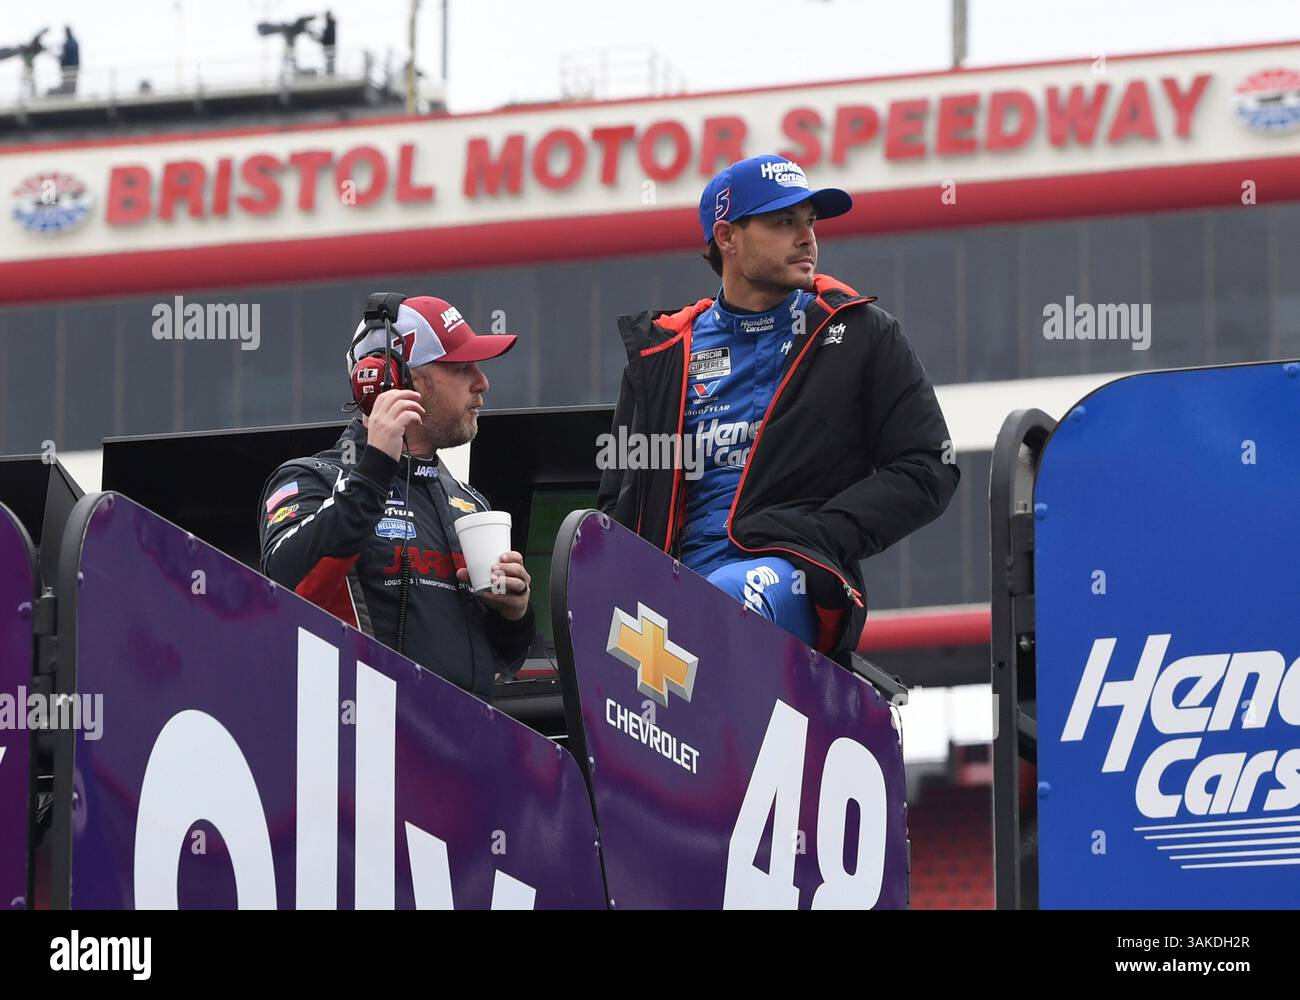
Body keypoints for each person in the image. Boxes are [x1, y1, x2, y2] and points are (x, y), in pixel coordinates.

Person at [597, 154, 959, 662]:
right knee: (606, 649)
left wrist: (822, 535)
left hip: (787, 574)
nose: (806, 237)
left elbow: (928, 468)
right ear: (727, 237)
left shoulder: (858, 332)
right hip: (670, 585)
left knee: (717, 606)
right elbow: (619, 504)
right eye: (783, 222)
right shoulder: (661, 355)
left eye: (809, 222)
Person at [259, 294, 534, 702]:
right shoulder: (313, 478)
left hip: (469, 748)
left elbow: (501, 663)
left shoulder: (470, 503)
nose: (482, 382)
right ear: (398, 380)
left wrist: (514, 614)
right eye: (461, 368)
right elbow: (282, 588)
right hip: (364, 739)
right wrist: (372, 471)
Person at [58, 26, 78, 95]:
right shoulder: (68, 43)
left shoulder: (72, 42)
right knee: (67, 85)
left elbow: (67, 54)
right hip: (67, 68)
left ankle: (70, 95)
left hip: (71, 68)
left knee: (70, 85)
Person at [316, 11, 336, 75]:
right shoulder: (330, 25)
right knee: (329, 62)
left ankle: (330, 73)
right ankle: (330, 73)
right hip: (329, 48)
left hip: (329, 48)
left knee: (330, 62)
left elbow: (326, 39)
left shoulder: (330, 26)